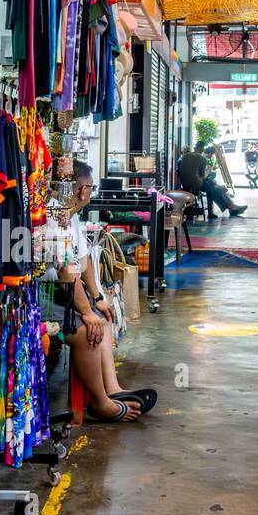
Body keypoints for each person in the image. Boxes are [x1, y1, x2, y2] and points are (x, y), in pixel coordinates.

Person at [55, 162, 157, 423]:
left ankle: (112, 389)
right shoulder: (57, 217)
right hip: (51, 293)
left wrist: (98, 298)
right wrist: (87, 311)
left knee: (103, 318)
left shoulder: (72, 216)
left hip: (67, 291)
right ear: (82, 189)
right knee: (85, 330)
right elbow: (67, 274)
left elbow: (84, 259)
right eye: (90, 189)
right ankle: (100, 403)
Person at [178, 144, 245, 216]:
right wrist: (208, 171)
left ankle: (231, 206)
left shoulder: (183, 158)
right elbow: (203, 176)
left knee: (213, 185)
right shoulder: (202, 159)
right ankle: (213, 212)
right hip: (195, 184)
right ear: (202, 150)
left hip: (184, 183)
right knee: (211, 189)